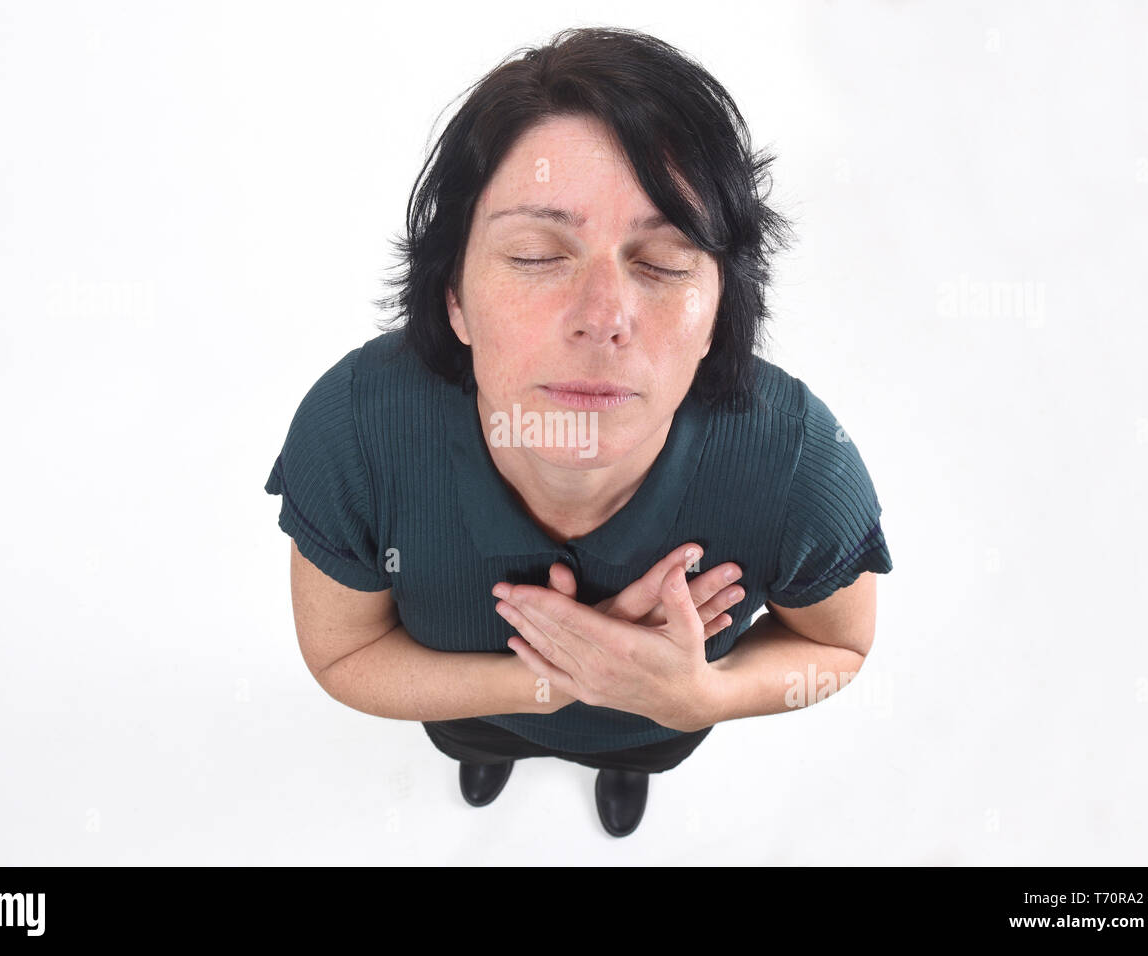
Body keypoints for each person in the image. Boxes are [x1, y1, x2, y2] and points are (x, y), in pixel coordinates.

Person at [264, 26, 893, 838]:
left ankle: (625, 767)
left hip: (654, 726)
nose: (603, 317)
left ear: (718, 316)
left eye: (663, 263)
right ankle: (489, 754)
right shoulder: (355, 432)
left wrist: (694, 696)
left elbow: (840, 649)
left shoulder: (800, 464)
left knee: (637, 751)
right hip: (471, 713)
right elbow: (345, 655)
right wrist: (553, 685)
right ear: (454, 296)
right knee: (479, 740)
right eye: (536, 254)